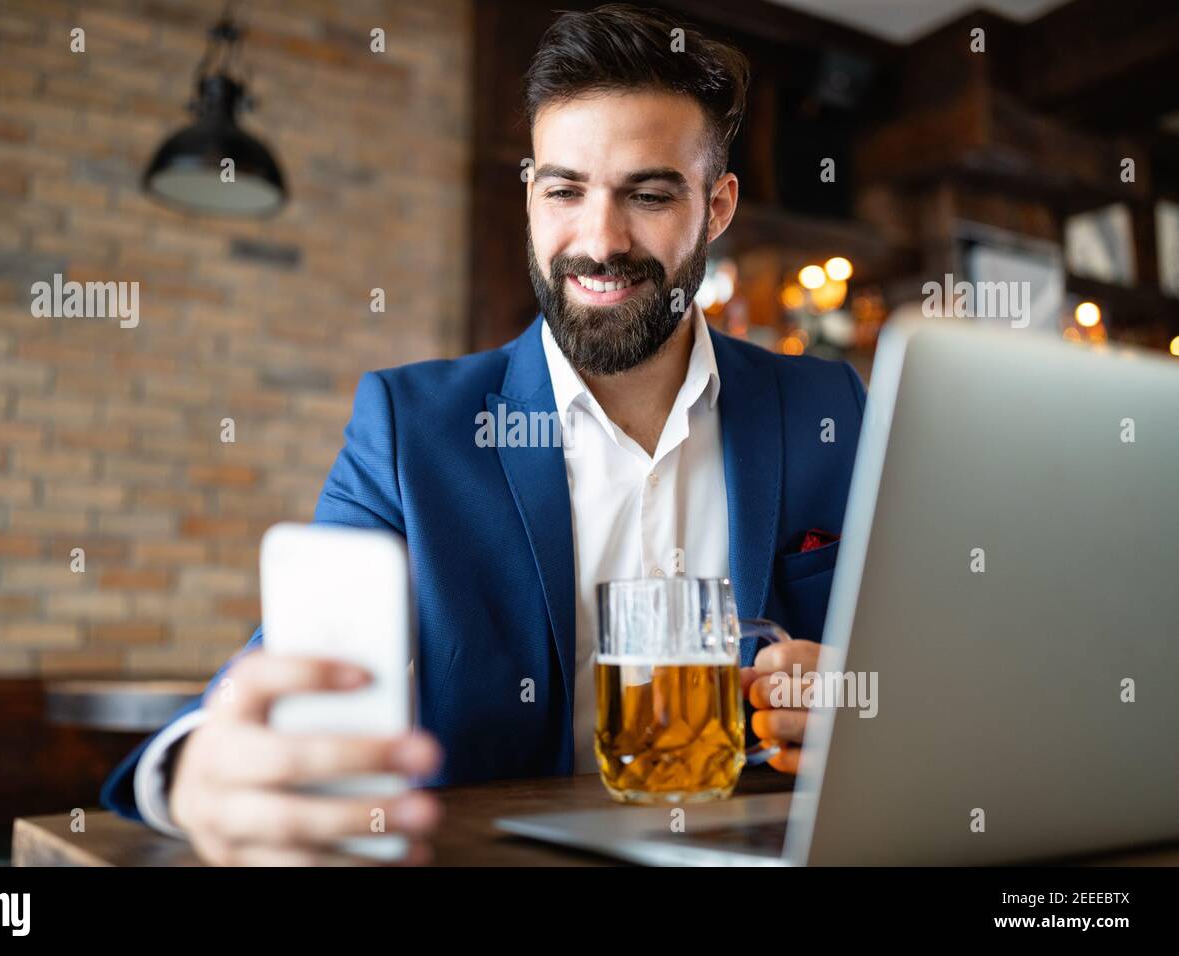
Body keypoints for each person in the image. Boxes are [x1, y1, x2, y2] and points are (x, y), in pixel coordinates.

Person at [101, 3, 865, 866]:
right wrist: (197, 768)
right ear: (531, 196)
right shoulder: (409, 427)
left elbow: (919, 662)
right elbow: (288, 665)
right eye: (565, 191)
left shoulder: (827, 407)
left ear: (717, 207)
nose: (600, 241)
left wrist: (867, 704)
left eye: (648, 195)